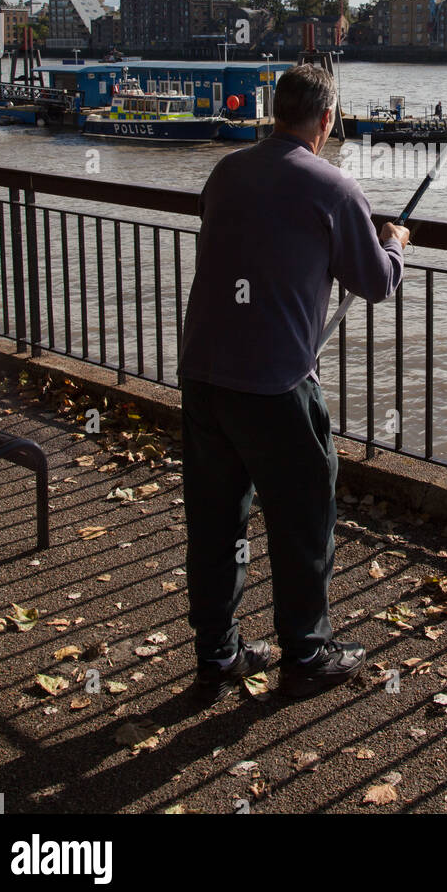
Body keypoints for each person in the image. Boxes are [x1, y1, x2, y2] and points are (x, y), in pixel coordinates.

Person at [178, 64, 409, 704]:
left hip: (202, 372)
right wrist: (394, 244)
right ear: (327, 121)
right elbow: (377, 283)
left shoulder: (226, 171)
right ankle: (306, 652)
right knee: (305, 516)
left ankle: (218, 651)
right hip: (275, 384)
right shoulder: (334, 188)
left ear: (275, 113)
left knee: (216, 520)